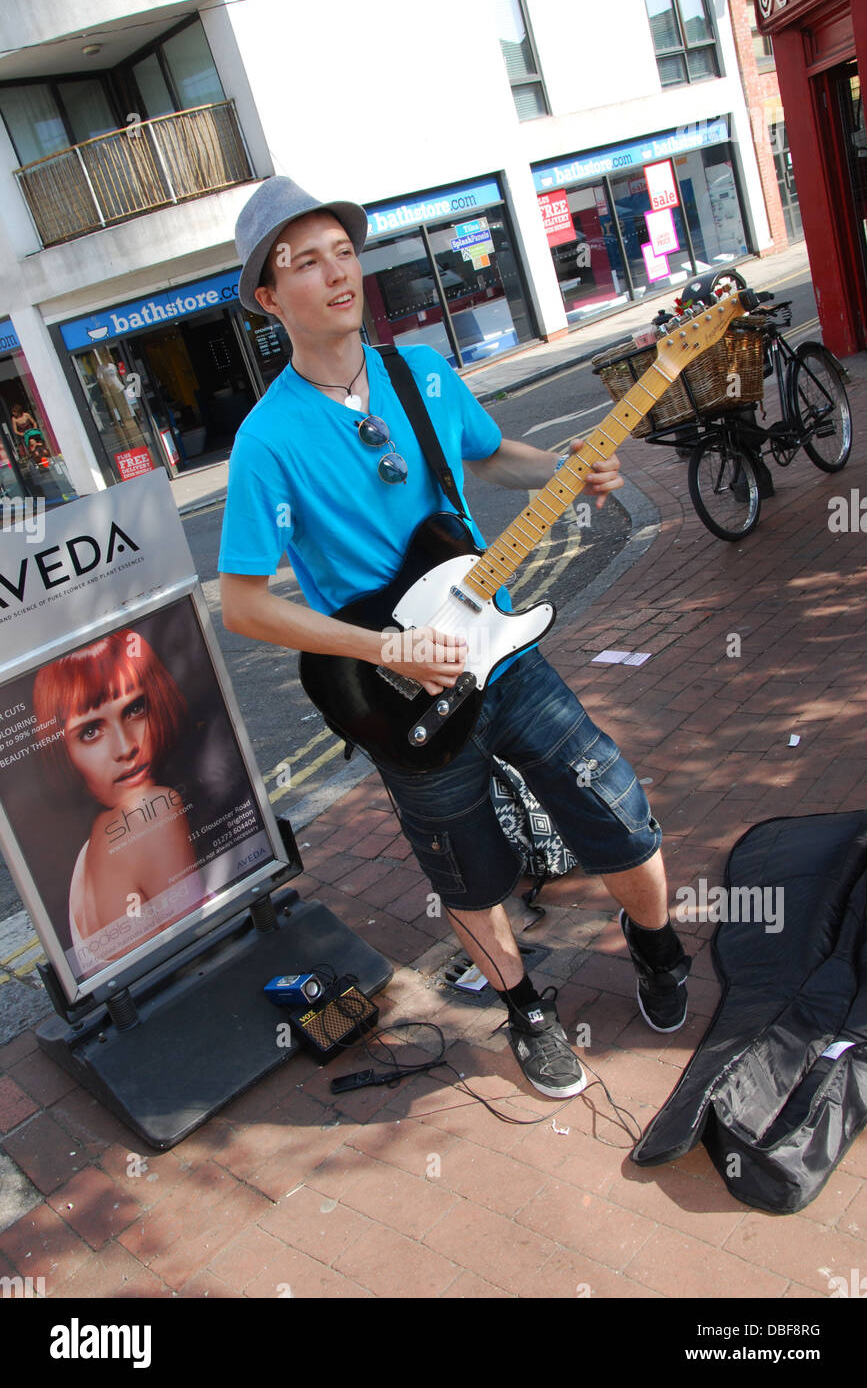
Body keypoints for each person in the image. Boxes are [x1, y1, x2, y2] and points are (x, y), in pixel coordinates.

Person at [218, 177, 691, 1100]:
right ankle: (526, 1012)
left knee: (618, 810)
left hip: (505, 653)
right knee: (464, 874)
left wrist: (560, 470)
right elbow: (244, 606)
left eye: (343, 251)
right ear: (269, 299)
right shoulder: (265, 442)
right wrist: (384, 651)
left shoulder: (421, 373)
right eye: (304, 261)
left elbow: (488, 457)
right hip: (401, 694)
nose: (335, 273)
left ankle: (659, 945)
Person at [33, 631, 202, 977]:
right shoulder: (149, 811)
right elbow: (204, 948)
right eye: (90, 732)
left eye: (134, 709)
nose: (125, 747)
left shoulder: (92, 848)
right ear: (63, 753)